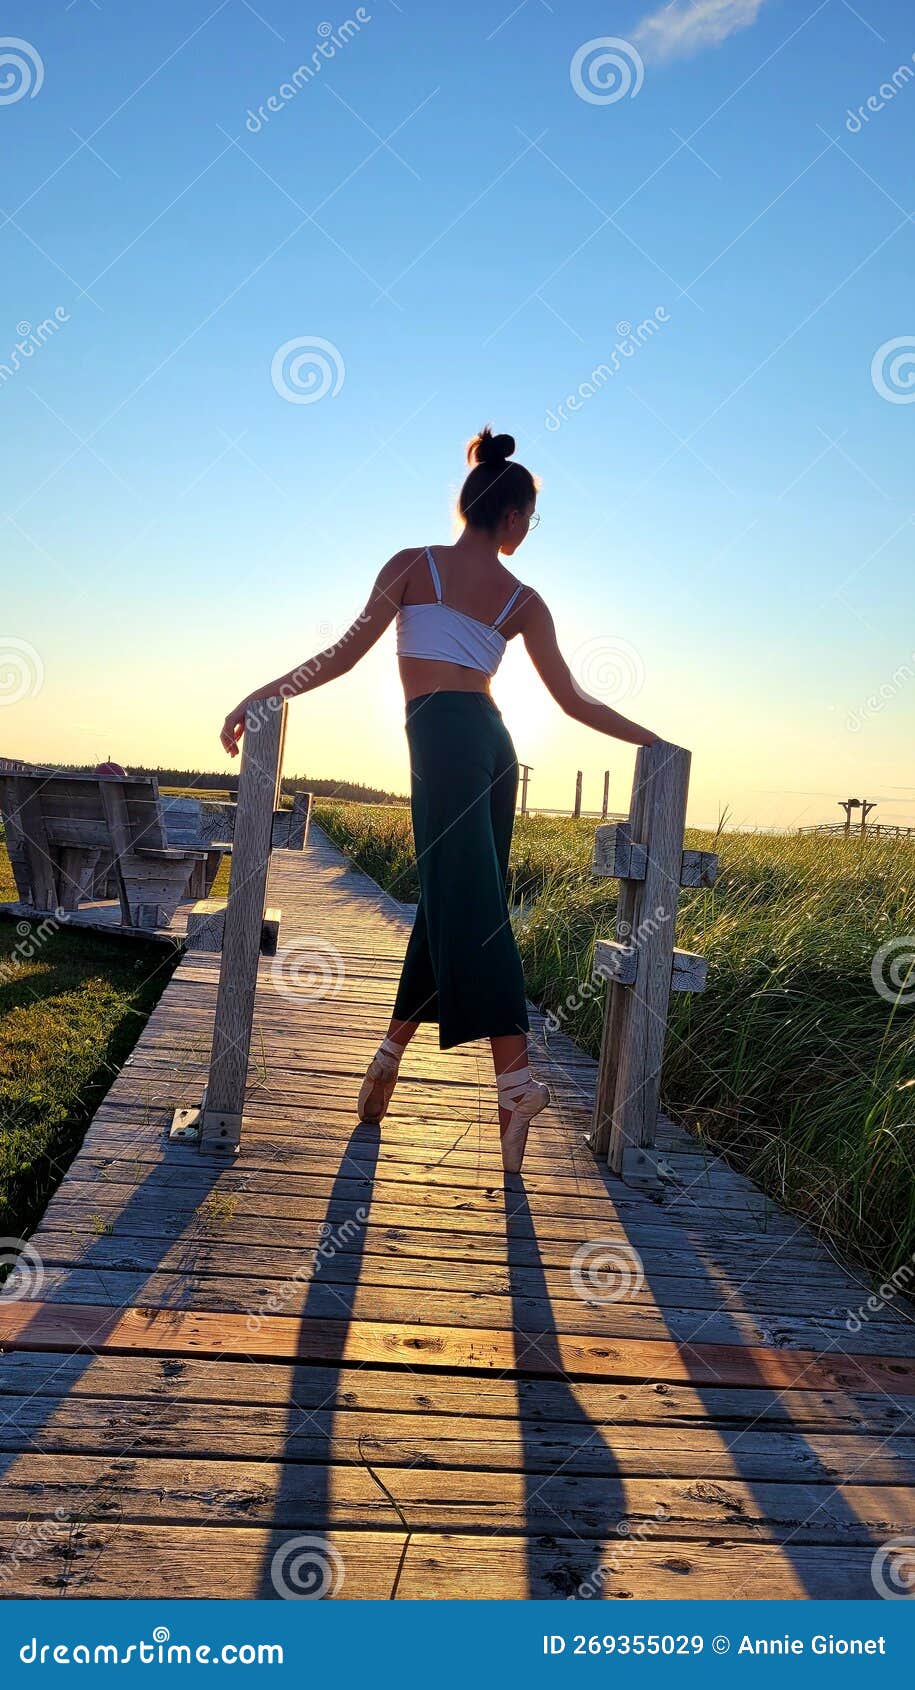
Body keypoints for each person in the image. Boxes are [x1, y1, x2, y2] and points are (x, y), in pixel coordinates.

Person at [220, 428, 657, 1173]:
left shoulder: (414, 565)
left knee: (467, 900)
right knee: (456, 900)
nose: (528, 531)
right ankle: (398, 1051)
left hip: (448, 741)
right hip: (481, 744)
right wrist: (655, 738)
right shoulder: (517, 595)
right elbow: (574, 700)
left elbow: (341, 656)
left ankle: (511, 1083)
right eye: (531, 519)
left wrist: (264, 689)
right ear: (513, 515)